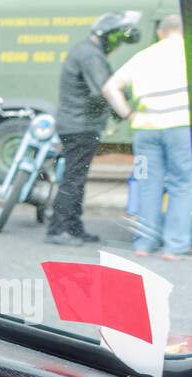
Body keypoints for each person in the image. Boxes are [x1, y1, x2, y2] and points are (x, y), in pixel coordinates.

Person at [46, 12, 141, 246]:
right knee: (73, 180)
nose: (117, 46)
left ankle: (74, 228)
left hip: (80, 124)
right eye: (116, 40)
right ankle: (58, 230)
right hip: (79, 126)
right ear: (106, 36)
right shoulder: (90, 55)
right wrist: (125, 111)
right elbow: (104, 89)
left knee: (76, 178)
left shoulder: (89, 51)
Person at [103, 14, 190, 258]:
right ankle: (175, 246)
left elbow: (110, 88)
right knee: (182, 184)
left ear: (160, 33)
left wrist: (129, 114)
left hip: (145, 130)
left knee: (148, 183)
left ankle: (145, 243)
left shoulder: (144, 56)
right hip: (179, 127)